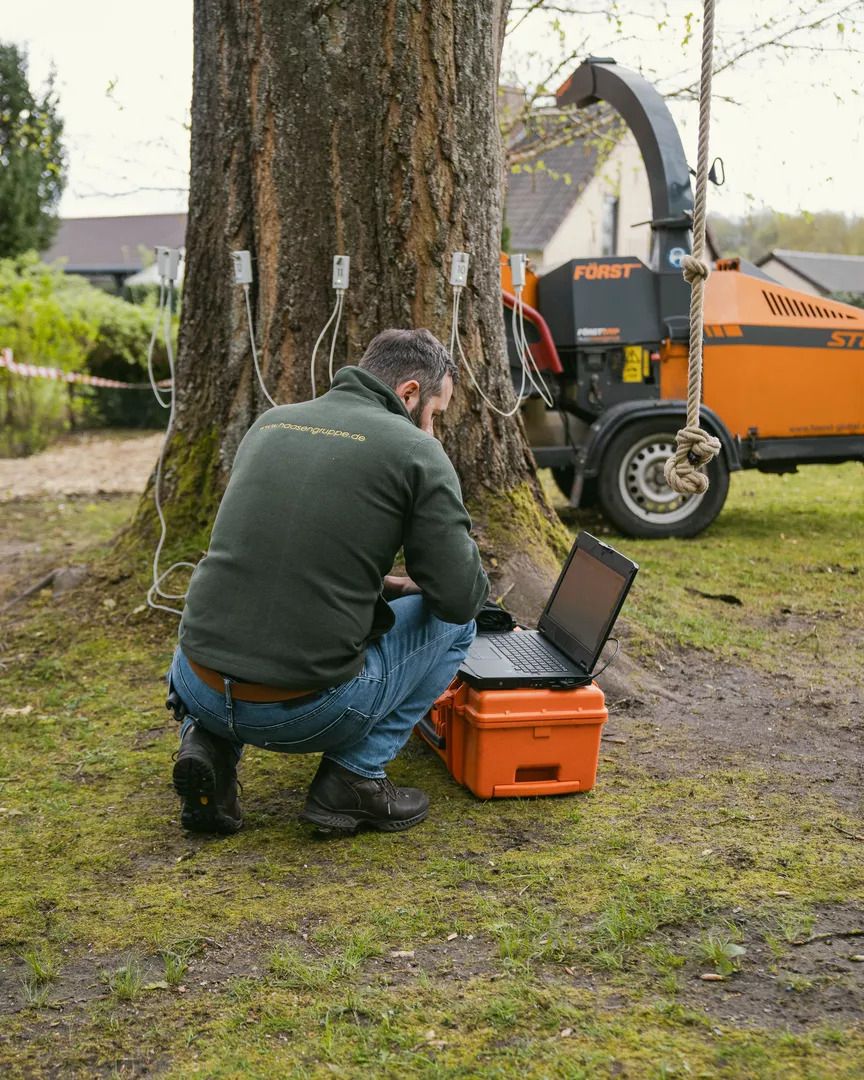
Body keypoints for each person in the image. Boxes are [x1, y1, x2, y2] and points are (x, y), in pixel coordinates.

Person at [168, 328, 489, 836]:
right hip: (302, 715)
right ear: (409, 394)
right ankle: (354, 780)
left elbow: (275, 556)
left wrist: (384, 584)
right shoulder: (416, 451)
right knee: (460, 626)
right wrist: (436, 472)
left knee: (229, 600)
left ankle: (207, 744)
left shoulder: (270, 422)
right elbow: (460, 597)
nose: (433, 428)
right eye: (435, 414)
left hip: (196, 685)